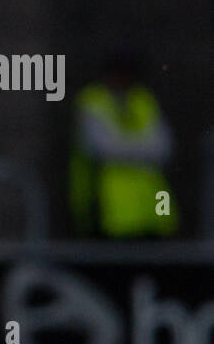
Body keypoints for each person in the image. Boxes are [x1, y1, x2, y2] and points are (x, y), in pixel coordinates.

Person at [69, 53, 178, 238]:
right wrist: (143, 147)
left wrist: (123, 145)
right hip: (108, 209)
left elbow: (164, 148)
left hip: (153, 208)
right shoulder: (92, 101)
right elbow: (103, 149)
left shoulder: (143, 100)